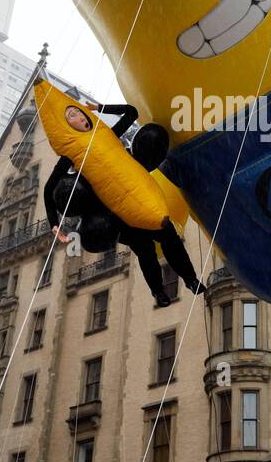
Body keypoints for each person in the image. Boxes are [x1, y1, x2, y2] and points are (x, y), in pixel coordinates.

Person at [42, 101, 205, 307]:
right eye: (71, 116)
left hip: (139, 194)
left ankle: (190, 279)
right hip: (115, 210)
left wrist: (100, 108)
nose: (79, 116)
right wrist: (53, 222)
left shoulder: (106, 135)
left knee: (169, 237)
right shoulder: (70, 154)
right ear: (65, 125)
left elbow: (131, 112)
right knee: (145, 250)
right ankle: (158, 291)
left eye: (78, 112)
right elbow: (49, 188)